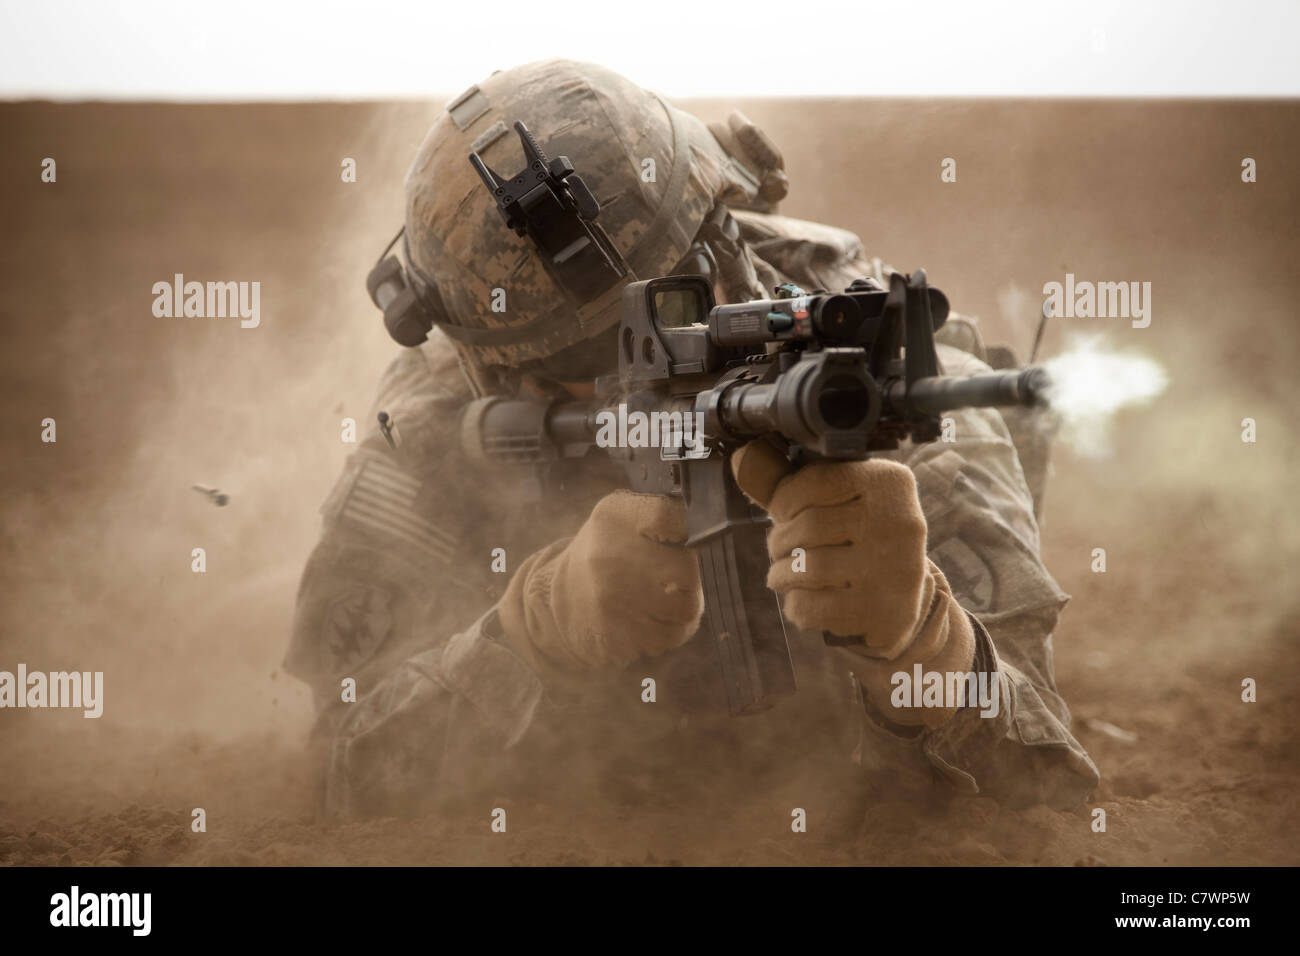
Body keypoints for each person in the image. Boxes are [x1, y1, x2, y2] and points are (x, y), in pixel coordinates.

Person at [285, 58, 1100, 820]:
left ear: (721, 242)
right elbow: (342, 767)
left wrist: (928, 648)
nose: (637, 366)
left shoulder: (882, 399)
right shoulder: (436, 429)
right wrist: (531, 632)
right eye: (579, 359)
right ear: (495, 372)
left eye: (672, 301)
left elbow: (1042, 788)